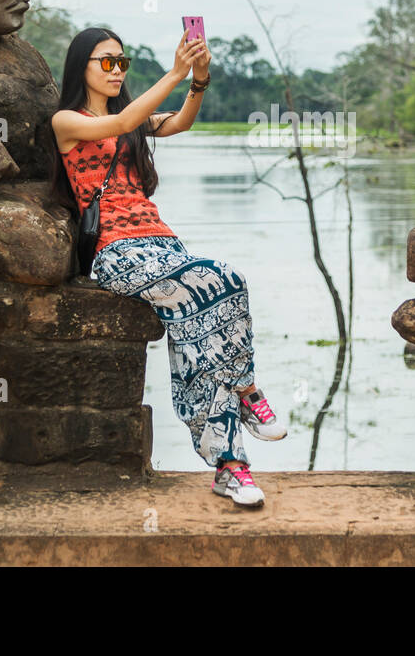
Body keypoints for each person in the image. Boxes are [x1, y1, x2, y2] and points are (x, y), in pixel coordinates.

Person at [50, 26, 287, 508]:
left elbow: (179, 123)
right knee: (214, 288)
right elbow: (119, 126)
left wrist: (198, 80)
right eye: (106, 62)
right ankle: (246, 388)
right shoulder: (67, 122)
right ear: (83, 69)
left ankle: (230, 468)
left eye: (122, 62)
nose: (117, 71)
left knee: (207, 319)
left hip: (161, 243)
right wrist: (175, 71)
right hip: (115, 252)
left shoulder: (131, 119)